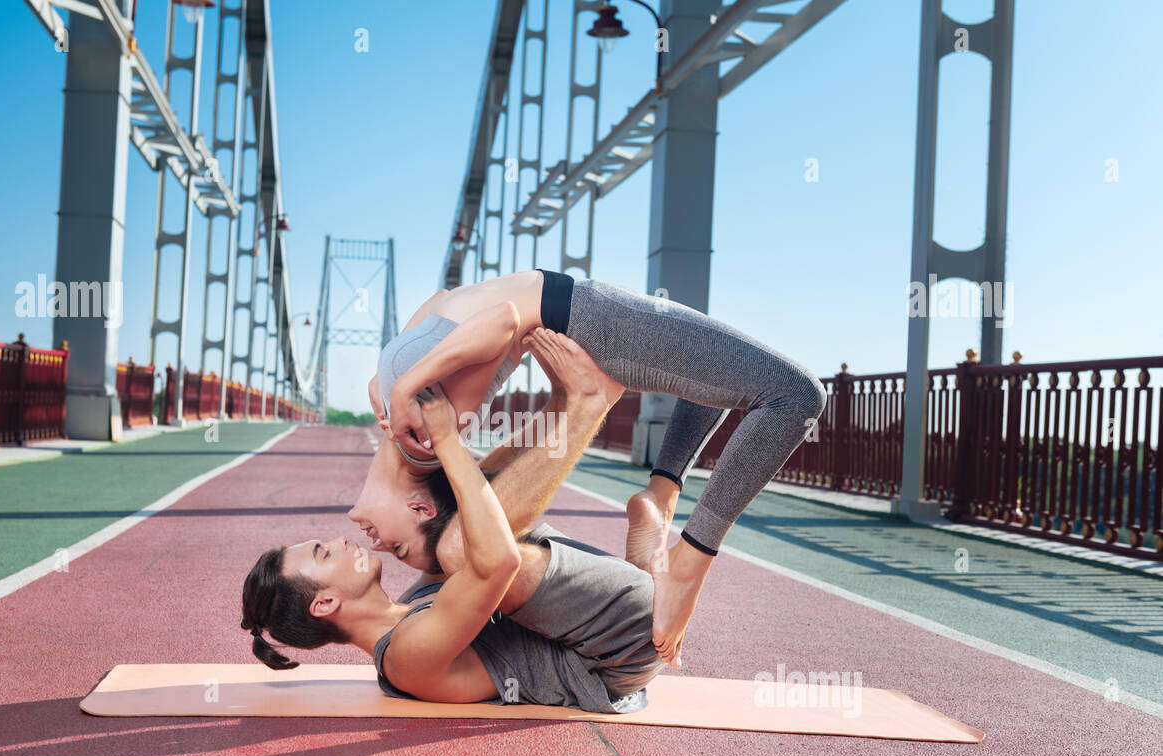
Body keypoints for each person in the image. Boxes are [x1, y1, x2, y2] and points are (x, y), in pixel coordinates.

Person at [362, 269, 827, 666]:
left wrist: (406, 389)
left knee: (786, 394)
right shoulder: (403, 412)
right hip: (586, 317)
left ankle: (673, 536)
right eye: (397, 549)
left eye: (400, 548)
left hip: (590, 317)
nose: (377, 543)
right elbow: (456, 305)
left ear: (421, 507)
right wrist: (403, 387)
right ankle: (670, 523)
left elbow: (503, 320)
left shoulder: (409, 422)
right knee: (786, 394)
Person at [241, 384, 663, 714]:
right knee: (463, 550)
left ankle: (573, 407)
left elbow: (455, 493)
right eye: (324, 553)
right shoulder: (403, 657)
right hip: (615, 654)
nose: (340, 540)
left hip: (600, 630)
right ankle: (591, 401)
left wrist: (394, 394)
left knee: (447, 527)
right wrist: (446, 441)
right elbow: (497, 564)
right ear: (325, 603)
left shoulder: (410, 606)